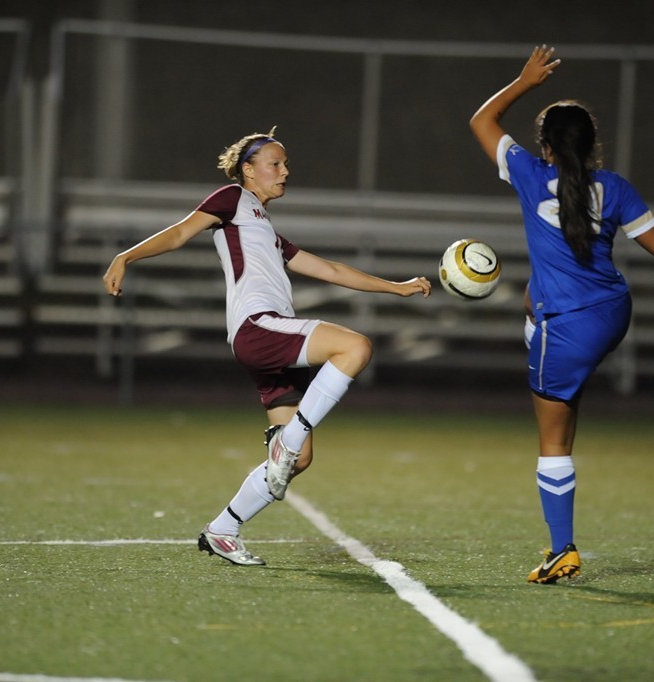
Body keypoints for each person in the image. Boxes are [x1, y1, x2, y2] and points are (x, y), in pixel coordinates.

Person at [103, 127, 432, 566]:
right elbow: (181, 233)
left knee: (299, 460)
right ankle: (286, 441)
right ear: (248, 171)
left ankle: (222, 529)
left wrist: (397, 288)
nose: (284, 171)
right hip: (259, 328)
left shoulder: (270, 235)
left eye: (285, 164)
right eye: (275, 164)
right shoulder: (231, 199)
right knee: (355, 348)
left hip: (271, 338)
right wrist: (126, 256)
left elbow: (332, 270)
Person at [469, 45, 654, 584]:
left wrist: (523, 82)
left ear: (546, 147)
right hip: (611, 311)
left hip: (566, 325)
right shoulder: (615, 187)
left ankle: (562, 549)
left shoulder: (529, 173)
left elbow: (481, 120)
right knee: (560, 378)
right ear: (591, 145)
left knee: (552, 441)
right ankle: (543, 329)